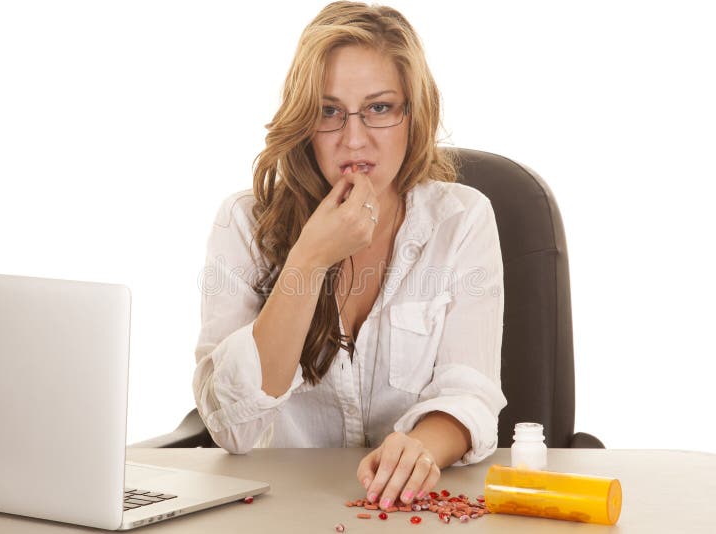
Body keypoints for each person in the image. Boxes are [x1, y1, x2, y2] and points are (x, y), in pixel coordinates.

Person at [193, 1, 506, 510]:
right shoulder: (243, 224)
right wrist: (309, 259)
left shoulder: (462, 220)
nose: (353, 139)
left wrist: (421, 448)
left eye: (379, 108)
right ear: (303, 120)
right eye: (329, 111)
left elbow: (469, 390)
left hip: (408, 507)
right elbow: (233, 427)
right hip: (283, 510)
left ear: (413, 113)